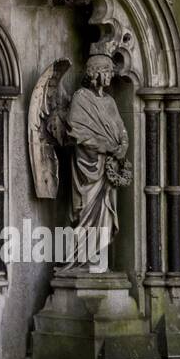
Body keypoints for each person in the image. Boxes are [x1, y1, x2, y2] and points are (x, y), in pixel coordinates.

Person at [64, 54, 130, 272]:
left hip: (108, 168)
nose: (110, 76)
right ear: (94, 73)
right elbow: (76, 132)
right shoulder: (81, 98)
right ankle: (83, 260)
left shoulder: (110, 101)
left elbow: (121, 128)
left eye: (111, 71)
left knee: (106, 213)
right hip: (88, 166)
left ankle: (99, 262)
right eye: (106, 71)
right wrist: (106, 146)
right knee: (85, 210)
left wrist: (123, 145)